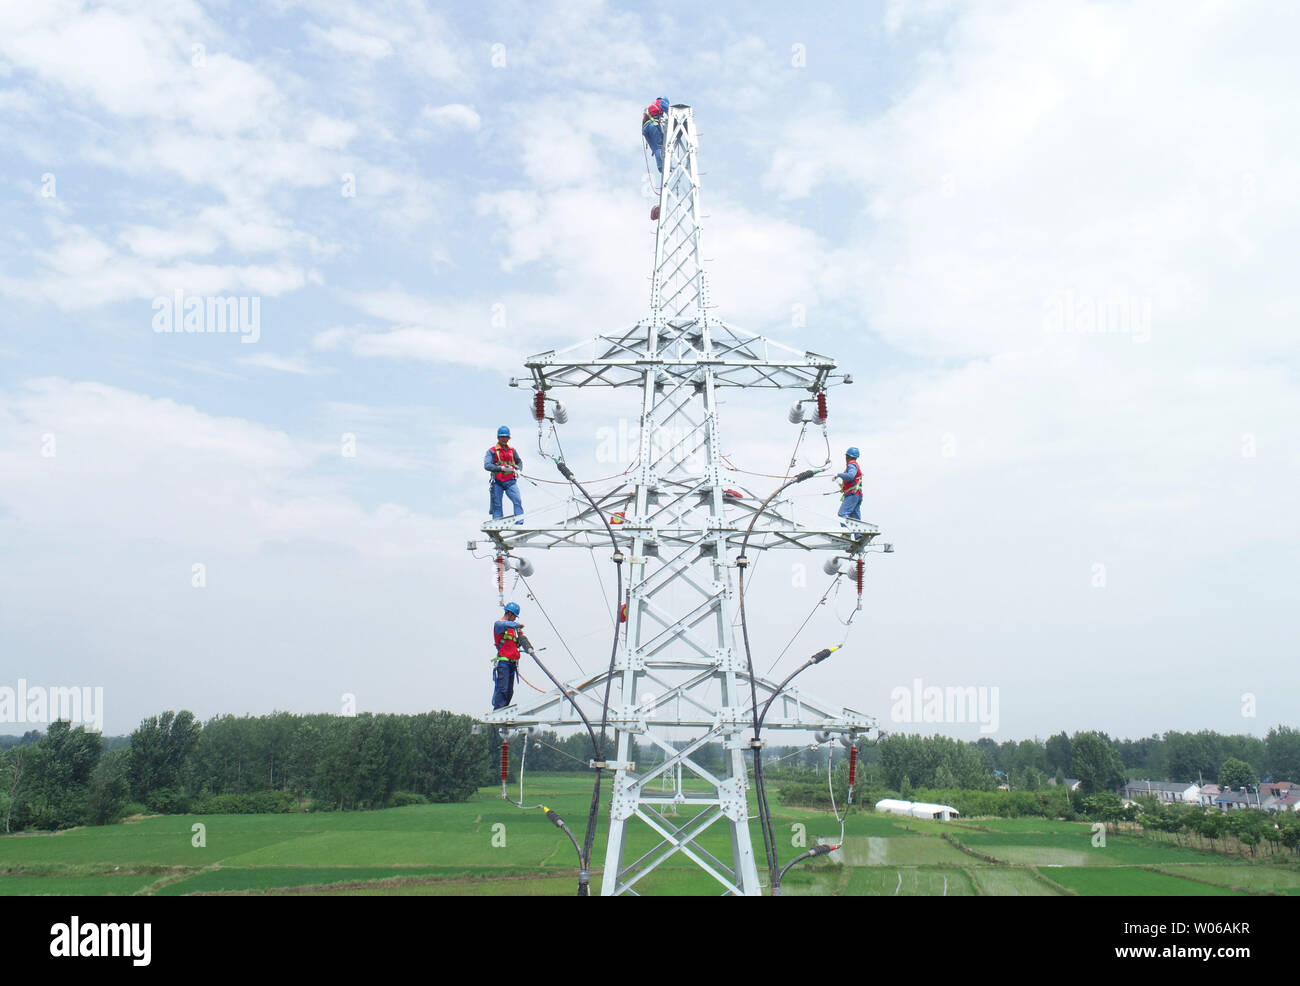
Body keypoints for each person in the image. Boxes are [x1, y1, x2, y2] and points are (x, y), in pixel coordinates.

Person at [484, 426, 524, 523]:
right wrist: (500, 468)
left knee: (517, 500)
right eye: (502, 437)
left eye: (506, 437)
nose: (504, 439)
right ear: (498, 438)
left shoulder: (512, 450)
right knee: (497, 505)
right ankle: (497, 524)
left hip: (510, 481)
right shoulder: (492, 451)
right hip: (498, 482)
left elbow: (519, 462)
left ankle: (519, 522)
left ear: (509, 438)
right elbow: (487, 465)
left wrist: (518, 470)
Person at [491, 602, 525, 710]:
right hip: (504, 663)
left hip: (512, 664)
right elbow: (502, 624)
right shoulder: (499, 625)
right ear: (509, 613)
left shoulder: (512, 630)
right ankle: (498, 712)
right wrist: (517, 626)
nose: (515, 619)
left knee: (509, 692)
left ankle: (504, 712)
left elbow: (517, 642)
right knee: (503, 690)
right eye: (514, 616)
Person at [836, 447, 863, 526]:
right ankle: (858, 535)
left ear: (848, 456)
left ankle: (846, 533)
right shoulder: (855, 465)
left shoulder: (852, 465)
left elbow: (850, 476)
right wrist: (842, 486)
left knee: (842, 514)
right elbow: (852, 480)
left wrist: (839, 475)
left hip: (852, 494)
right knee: (855, 517)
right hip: (857, 495)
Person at [642, 97, 669, 172]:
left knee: (656, 149)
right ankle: (664, 165)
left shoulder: (650, 106)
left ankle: (660, 167)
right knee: (659, 146)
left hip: (645, 129)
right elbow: (670, 112)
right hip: (652, 125)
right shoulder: (661, 102)